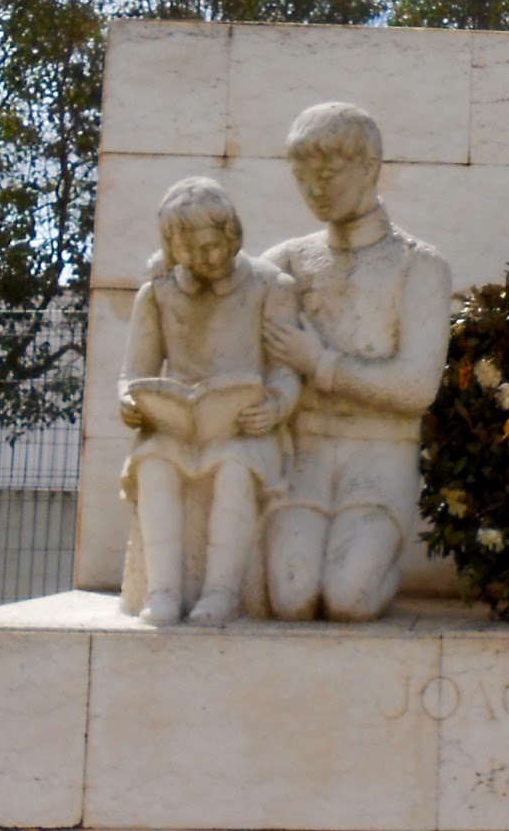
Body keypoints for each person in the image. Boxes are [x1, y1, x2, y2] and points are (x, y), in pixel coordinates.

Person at [261, 102, 452, 621]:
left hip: (379, 458)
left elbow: (416, 386)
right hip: (303, 458)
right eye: (302, 178)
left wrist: (320, 363)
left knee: (349, 599)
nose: (314, 191)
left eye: (326, 175)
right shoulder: (284, 264)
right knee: (292, 598)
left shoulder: (419, 266)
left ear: (369, 167)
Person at [119, 177, 300, 626]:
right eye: (191, 251)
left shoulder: (270, 286)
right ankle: (163, 591)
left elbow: (285, 370)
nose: (207, 259)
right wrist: (130, 402)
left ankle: (221, 592)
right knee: (154, 465)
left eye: (213, 246)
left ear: (232, 233)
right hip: (176, 428)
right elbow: (133, 371)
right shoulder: (157, 293)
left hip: (243, 429)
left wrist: (275, 407)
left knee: (235, 469)